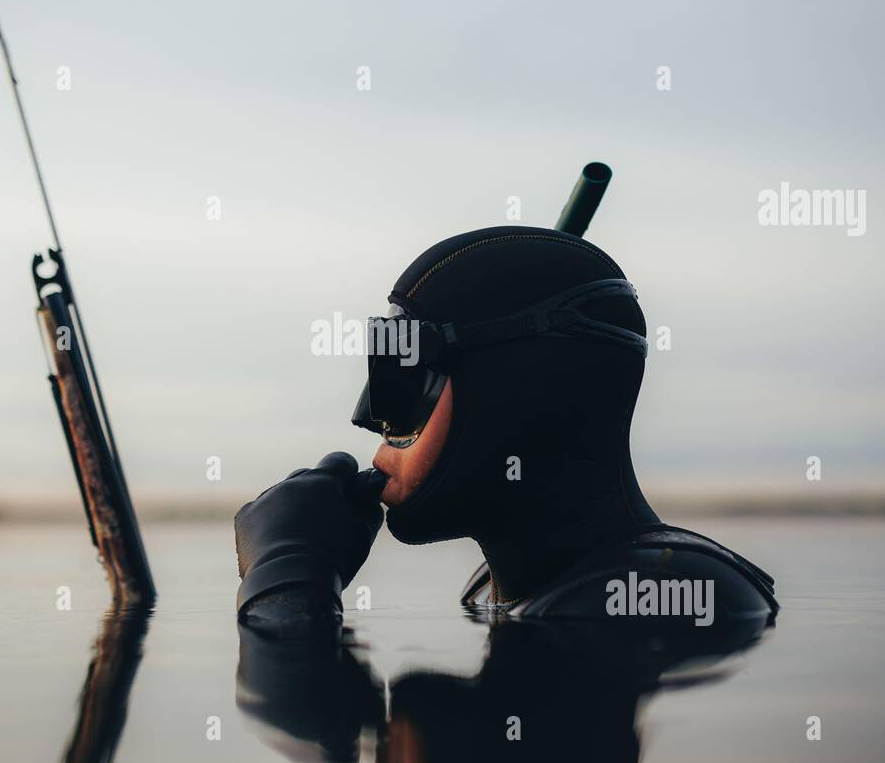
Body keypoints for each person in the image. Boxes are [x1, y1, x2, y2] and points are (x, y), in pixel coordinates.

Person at [234, 225, 778, 627]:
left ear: (519, 392)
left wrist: (287, 577)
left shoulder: (648, 594)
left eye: (403, 376)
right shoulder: (496, 591)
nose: (372, 415)